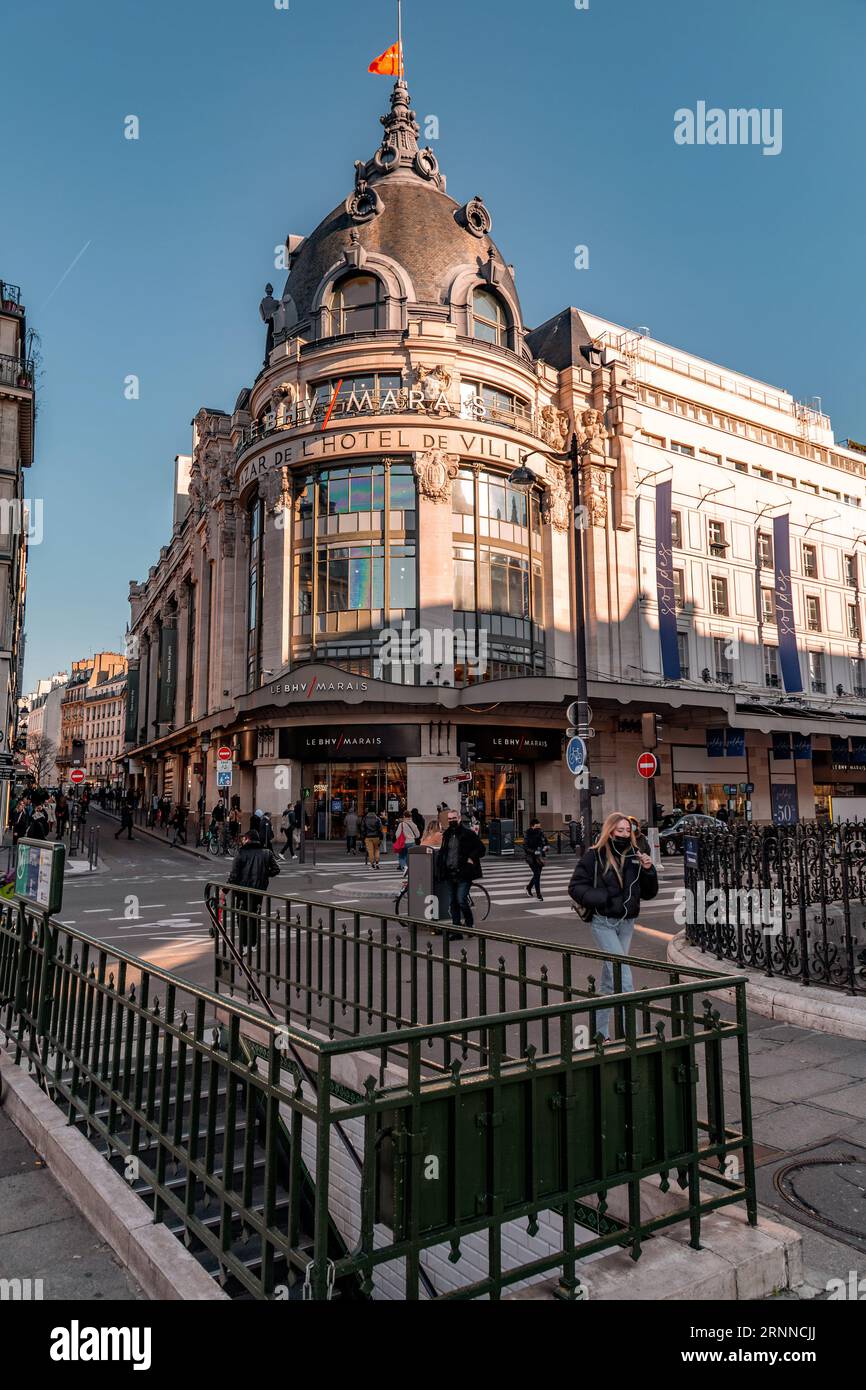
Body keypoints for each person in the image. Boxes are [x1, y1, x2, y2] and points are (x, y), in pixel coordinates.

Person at [568, 811, 659, 1042]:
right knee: (624, 977)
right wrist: (601, 898)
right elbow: (576, 886)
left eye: (628, 831)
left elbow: (649, 893)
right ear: (609, 831)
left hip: (627, 923)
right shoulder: (595, 855)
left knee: (609, 981)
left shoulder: (635, 855)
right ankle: (635, 1037)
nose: (624, 834)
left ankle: (600, 1034)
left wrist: (648, 870)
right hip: (604, 922)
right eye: (620, 831)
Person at [226, 828, 281, 949]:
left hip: (241, 891)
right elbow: (276, 869)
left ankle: (245, 944)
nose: (243, 841)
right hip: (258, 890)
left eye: (244, 839)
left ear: (247, 839)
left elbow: (233, 876)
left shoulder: (240, 853)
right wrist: (264, 874)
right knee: (255, 916)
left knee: (241, 917)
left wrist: (224, 890)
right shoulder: (266, 853)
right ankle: (254, 943)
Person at [436, 808, 486, 937]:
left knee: (461, 900)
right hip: (449, 872)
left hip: (464, 872)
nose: (452, 820)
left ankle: (469, 925)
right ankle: (457, 930)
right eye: (450, 819)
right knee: (453, 902)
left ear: (458, 819)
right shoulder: (446, 834)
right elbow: (444, 852)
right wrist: (440, 867)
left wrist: (471, 858)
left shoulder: (468, 833)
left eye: (454, 818)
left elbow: (481, 848)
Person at [524, 818, 548, 900]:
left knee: (537, 875)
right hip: (531, 857)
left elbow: (545, 842)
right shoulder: (528, 834)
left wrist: (545, 847)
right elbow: (525, 847)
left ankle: (529, 887)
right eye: (537, 827)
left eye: (539, 827)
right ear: (532, 826)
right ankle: (539, 895)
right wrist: (534, 852)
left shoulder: (541, 832)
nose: (539, 829)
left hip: (539, 857)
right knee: (537, 874)